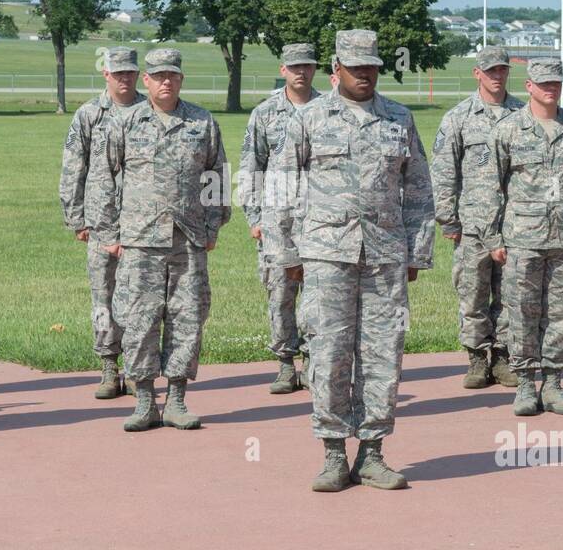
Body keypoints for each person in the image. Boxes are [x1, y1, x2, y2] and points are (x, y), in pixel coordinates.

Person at [266, 29, 435, 492]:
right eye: (356, 67)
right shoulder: (309, 119)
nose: (366, 74)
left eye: (372, 67)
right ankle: (333, 453)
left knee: (383, 352)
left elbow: (419, 189)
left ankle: (374, 452)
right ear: (335, 69)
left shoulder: (399, 119)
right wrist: (284, 253)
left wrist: (417, 251)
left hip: (384, 256)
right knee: (329, 351)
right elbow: (280, 186)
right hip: (326, 255)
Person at [88, 48, 230, 432]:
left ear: (181, 79)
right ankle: (145, 400)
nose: (166, 81)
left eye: (173, 75)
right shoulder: (125, 123)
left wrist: (213, 226)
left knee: (188, 317)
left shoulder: (202, 123)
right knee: (140, 320)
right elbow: (103, 178)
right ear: (146, 80)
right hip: (139, 240)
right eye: (158, 75)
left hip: (188, 240)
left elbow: (217, 175)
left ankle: (178, 400)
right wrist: (108, 233)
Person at [484, 58, 563, 416]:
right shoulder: (509, 130)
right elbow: (492, 188)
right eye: (544, 83)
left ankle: (553, 383)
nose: (551, 88)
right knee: (522, 312)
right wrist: (494, 238)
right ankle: (524, 384)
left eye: (556, 82)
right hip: (523, 239)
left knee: (561, 314)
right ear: (529, 86)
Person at [431, 45, 524, 390]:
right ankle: (475, 359)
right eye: (490, 71)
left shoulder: (522, 113)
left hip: (515, 224)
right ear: (477, 74)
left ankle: (502, 358)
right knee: (472, 293)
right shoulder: (459, 117)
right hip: (472, 226)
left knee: (510, 295)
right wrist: (448, 220)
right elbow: (442, 172)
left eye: (502, 70)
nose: (497, 77)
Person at [58, 46, 145, 399]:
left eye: (130, 72)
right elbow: (72, 167)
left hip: (143, 223)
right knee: (103, 296)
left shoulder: (148, 111)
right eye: (118, 72)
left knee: (142, 297)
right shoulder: (89, 114)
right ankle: (109, 366)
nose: (124, 78)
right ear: (106, 74)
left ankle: (139, 368)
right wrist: (75, 217)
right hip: (99, 220)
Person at [238, 42, 320, 394]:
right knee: (280, 294)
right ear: (283, 69)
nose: (301, 72)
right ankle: (286, 364)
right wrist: (255, 215)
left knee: (319, 295)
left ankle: (316, 362)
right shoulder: (266, 113)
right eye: (294, 66)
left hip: (321, 219)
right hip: (278, 221)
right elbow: (251, 167)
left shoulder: (329, 109)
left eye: (307, 66)